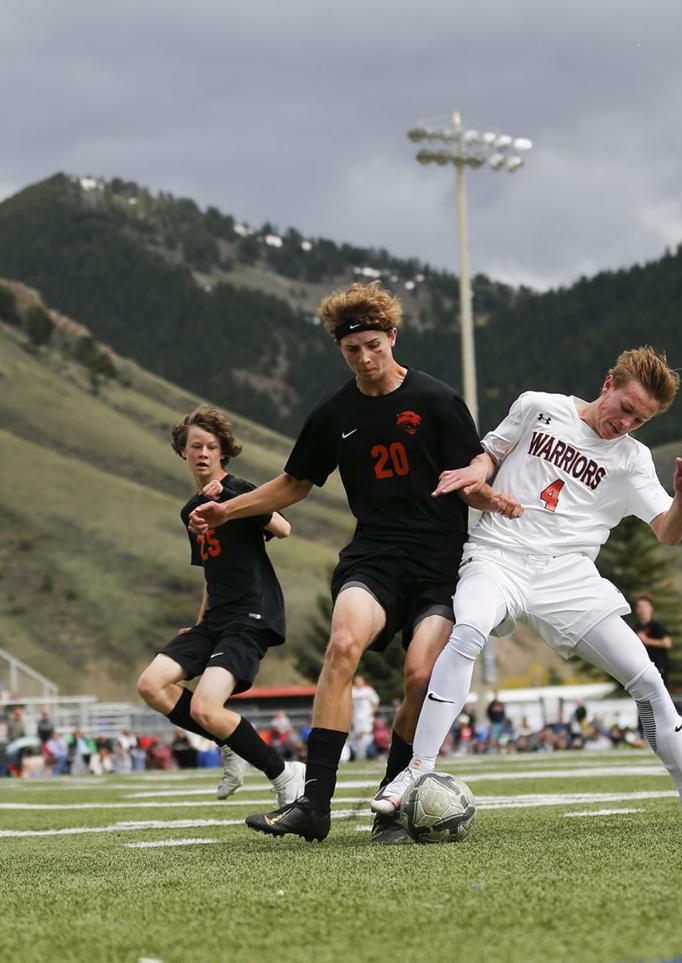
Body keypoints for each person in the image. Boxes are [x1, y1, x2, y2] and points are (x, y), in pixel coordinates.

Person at [372, 347, 682, 824]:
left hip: (568, 575)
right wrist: (476, 475)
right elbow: (489, 455)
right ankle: (418, 770)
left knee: (646, 678)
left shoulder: (633, 460)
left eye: (640, 420)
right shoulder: (539, 405)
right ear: (607, 385)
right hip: (499, 553)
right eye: (625, 408)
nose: (626, 424)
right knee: (469, 629)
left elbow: (667, 532)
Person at [191, 281, 512, 843]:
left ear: (392, 337)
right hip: (373, 559)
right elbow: (293, 484)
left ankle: (392, 803)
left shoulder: (436, 400)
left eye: (373, 345)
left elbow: (473, 479)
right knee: (342, 647)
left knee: (419, 675)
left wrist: (498, 501)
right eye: (351, 350)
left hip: (438, 567)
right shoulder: (333, 414)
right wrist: (227, 512)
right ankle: (315, 805)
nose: (364, 359)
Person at [135, 406, 305, 807]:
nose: (203, 453)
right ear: (182, 451)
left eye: (211, 447)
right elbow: (211, 574)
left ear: (223, 452)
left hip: (251, 615)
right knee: (152, 685)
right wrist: (197, 627)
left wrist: (229, 500)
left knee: (205, 706)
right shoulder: (188, 510)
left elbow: (283, 527)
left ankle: (284, 773)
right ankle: (228, 743)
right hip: (215, 619)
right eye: (195, 446)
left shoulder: (240, 488)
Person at [632, 595, 672, 682]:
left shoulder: (656, 625)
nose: (642, 609)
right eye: (640, 607)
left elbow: (667, 643)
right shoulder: (636, 628)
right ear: (636, 610)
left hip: (658, 667)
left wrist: (646, 641)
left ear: (651, 608)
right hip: (643, 669)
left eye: (645, 606)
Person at [349, 675, 380, 760]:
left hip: (366, 718)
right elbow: (350, 705)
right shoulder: (352, 691)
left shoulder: (368, 691)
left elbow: (376, 702)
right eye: (356, 681)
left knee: (365, 735)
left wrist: (370, 714)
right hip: (356, 717)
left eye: (360, 681)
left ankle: (364, 755)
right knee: (356, 736)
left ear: (363, 681)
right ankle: (358, 755)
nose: (358, 682)